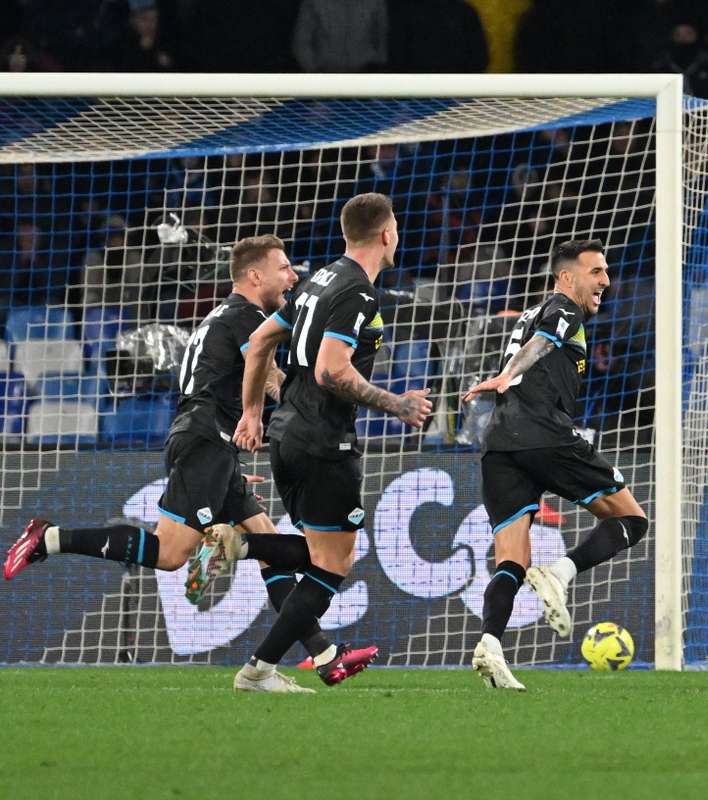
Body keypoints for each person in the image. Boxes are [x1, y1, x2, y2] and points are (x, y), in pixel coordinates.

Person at [3, 236, 348, 673]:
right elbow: (272, 380)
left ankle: (320, 653)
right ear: (255, 275)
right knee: (170, 554)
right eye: (283, 268)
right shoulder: (247, 317)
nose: (292, 275)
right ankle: (50, 538)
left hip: (210, 441)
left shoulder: (226, 315)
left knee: (267, 542)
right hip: (208, 440)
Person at [226, 193, 433, 693]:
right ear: (386, 234)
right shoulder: (359, 293)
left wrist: (254, 412)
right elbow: (329, 370)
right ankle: (258, 669)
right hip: (323, 440)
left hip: (287, 435)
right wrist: (396, 404)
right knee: (334, 562)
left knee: (325, 552)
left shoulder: (318, 278)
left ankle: (241, 545)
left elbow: (258, 343)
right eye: (397, 228)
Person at [460, 239, 648, 691]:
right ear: (567, 277)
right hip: (544, 433)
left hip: (500, 444)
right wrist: (508, 374)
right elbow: (545, 342)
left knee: (512, 558)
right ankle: (560, 574)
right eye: (596, 271)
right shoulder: (564, 307)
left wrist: (509, 377)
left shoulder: (532, 310)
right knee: (632, 519)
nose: (606, 280)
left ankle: (490, 645)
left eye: (607, 271)